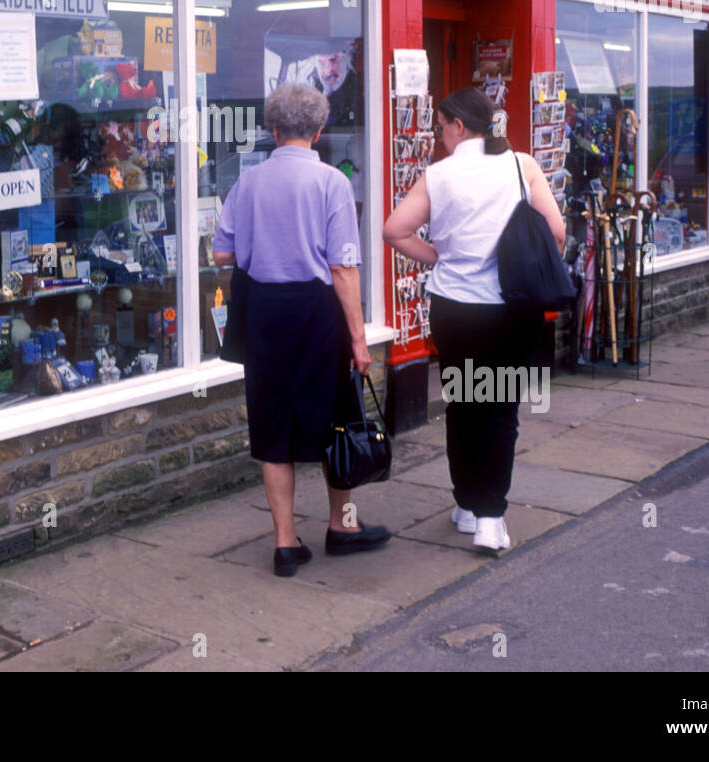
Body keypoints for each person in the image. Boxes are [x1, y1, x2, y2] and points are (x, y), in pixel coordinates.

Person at [213, 82, 391, 577]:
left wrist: (259, 242)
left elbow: (222, 253)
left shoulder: (246, 183)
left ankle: (286, 543)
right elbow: (343, 268)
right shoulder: (332, 182)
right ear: (318, 130)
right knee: (338, 417)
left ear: (273, 129)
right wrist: (359, 339)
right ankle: (341, 527)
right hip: (318, 313)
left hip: (264, 312)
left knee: (272, 422)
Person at [382, 87, 565, 555]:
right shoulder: (521, 164)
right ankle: (490, 517)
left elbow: (394, 230)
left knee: (462, 405)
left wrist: (438, 257)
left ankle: (466, 506)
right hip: (510, 307)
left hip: (455, 309)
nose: (438, 136)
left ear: (459, 126)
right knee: (499, 409)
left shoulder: (438, 175)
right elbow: (557, 230)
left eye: (441, 127)